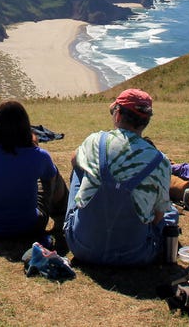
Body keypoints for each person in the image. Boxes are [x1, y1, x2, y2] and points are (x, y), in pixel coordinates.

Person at [64, 89, 179, 265]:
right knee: (169, 213)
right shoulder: (160, 161)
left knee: (79, 169)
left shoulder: (95, 141)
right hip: (135, 254)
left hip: (81, 247)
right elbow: (157, 218)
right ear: (146, 121)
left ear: (118, 115)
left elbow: (73, 159)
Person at [0, 101, 67, 237]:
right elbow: (48, 178)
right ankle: (61, 218)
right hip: (30, 226)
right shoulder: (39, 156)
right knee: (53, 172)